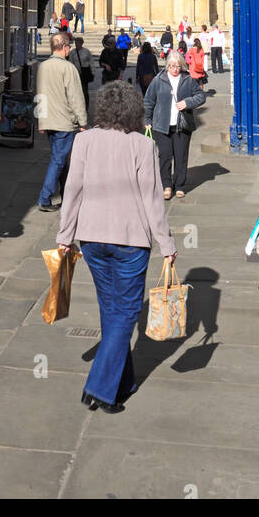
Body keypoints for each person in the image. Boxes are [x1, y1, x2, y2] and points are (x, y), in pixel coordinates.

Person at [55, 80, 177, 413]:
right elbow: (153, 199)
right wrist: (166, 242)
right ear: (135, 111)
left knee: (112, 311)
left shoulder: (84, 141)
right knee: (124, 313)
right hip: (130, 240)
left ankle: (122, 383)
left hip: (92, 237)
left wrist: (65, 236)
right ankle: (99, 388)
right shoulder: (143, 145)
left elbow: (73, 191)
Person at [144, 50, 206, 199]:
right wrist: (147, 120)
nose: (175, 69)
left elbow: (201, 96)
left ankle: (179, 186)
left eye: (178, 66)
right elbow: (148, 101)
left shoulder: (188, 79)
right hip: (161, 126)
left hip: (182, 126)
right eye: (172, 66)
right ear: (167, 66)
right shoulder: (158, 80)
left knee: (181, 156)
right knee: (165, 156)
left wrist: (187, 103)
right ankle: (166, 185)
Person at [36, 32, 87, 211]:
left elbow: (39, 95)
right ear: (64, 47)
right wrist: (83, 121)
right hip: (64, 122)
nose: (69, 50)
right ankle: (44, 197)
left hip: (49, 121)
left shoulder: (42, 66)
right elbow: (76, 98)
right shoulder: (68, 68)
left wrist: (41, 120)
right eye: (69, 47)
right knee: (59, 160)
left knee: (61, 160)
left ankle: (67, 196)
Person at [68, 35, 94, 109]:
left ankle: (86, 106)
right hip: (75, 74)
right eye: (76, 43)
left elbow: (91, 62)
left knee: (85, 91)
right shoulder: (72, 52)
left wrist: (93, 72)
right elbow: (70, 62)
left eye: (78, 43)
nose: (77, 45)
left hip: (84, 74)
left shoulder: (86, 52)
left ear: (81, 43)